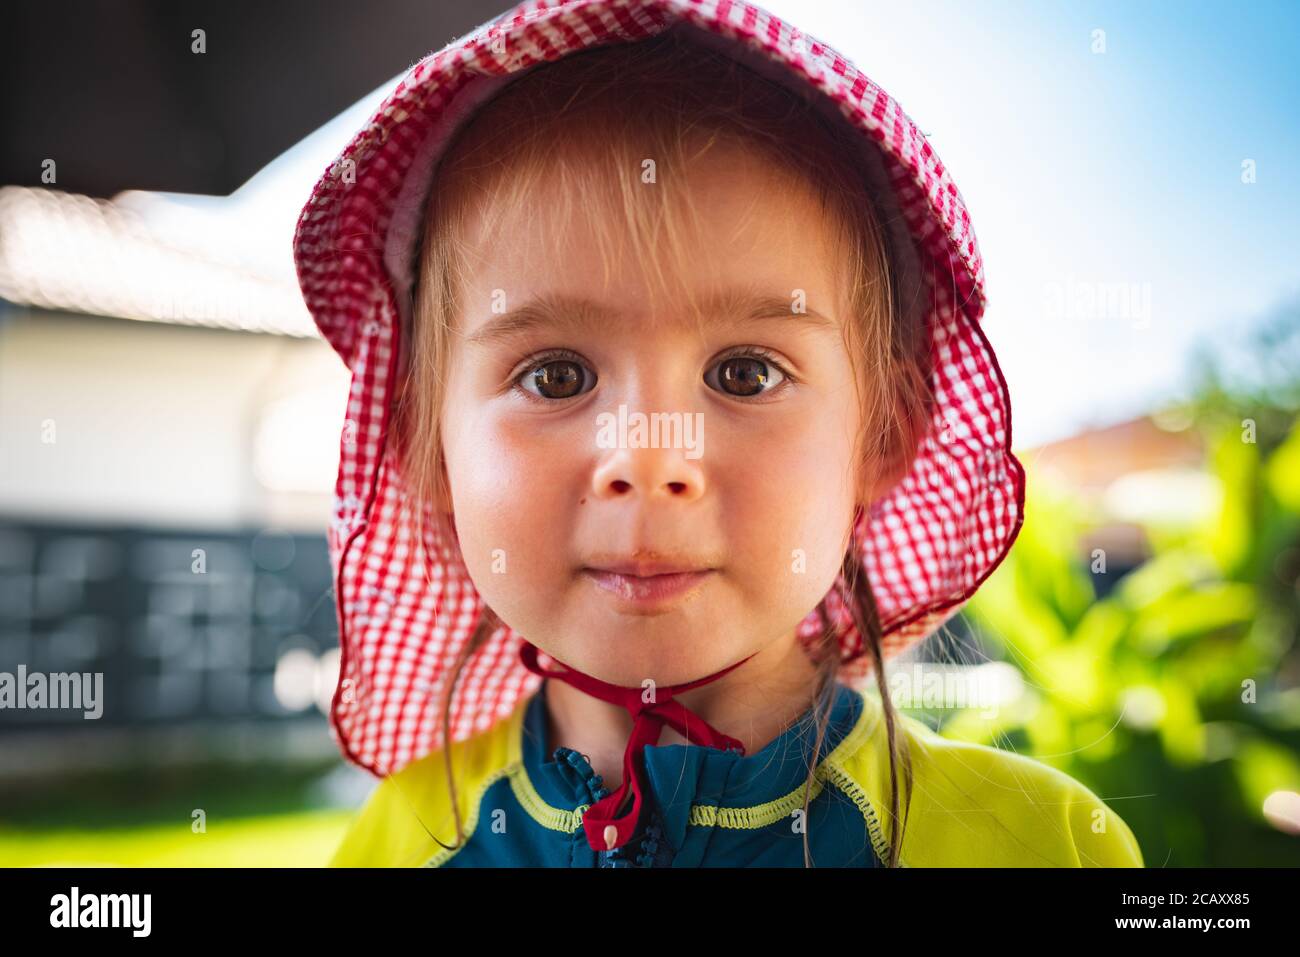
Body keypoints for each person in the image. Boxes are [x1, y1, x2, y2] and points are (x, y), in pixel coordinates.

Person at [293, 0, 1144, 868]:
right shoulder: (396, 845)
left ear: (885, 434)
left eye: (746, 373)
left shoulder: (1040, 845)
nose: (650, 457)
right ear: (425, 445)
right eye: (555, 376)